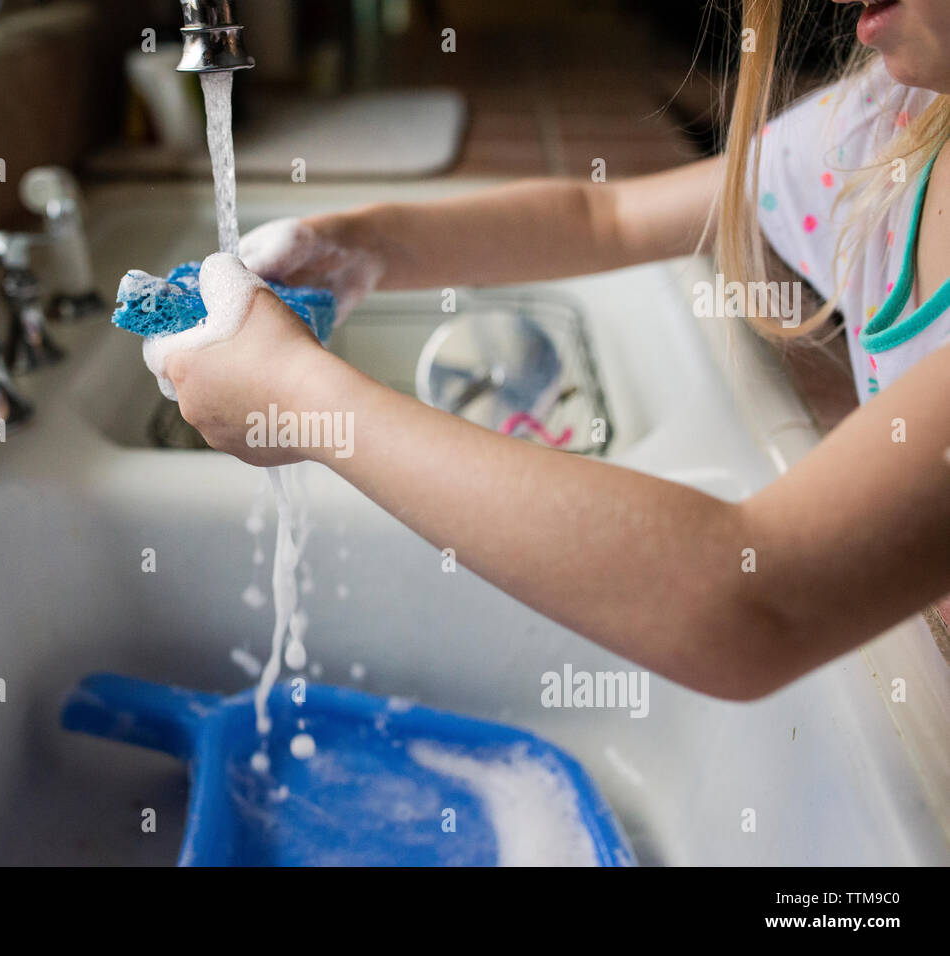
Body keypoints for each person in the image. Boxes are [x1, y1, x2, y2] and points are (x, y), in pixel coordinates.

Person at [150, 0, 950, 700]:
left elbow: (751, 599)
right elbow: (602, 220)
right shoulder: (893, 126)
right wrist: (366, 243)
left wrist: (303, 398)